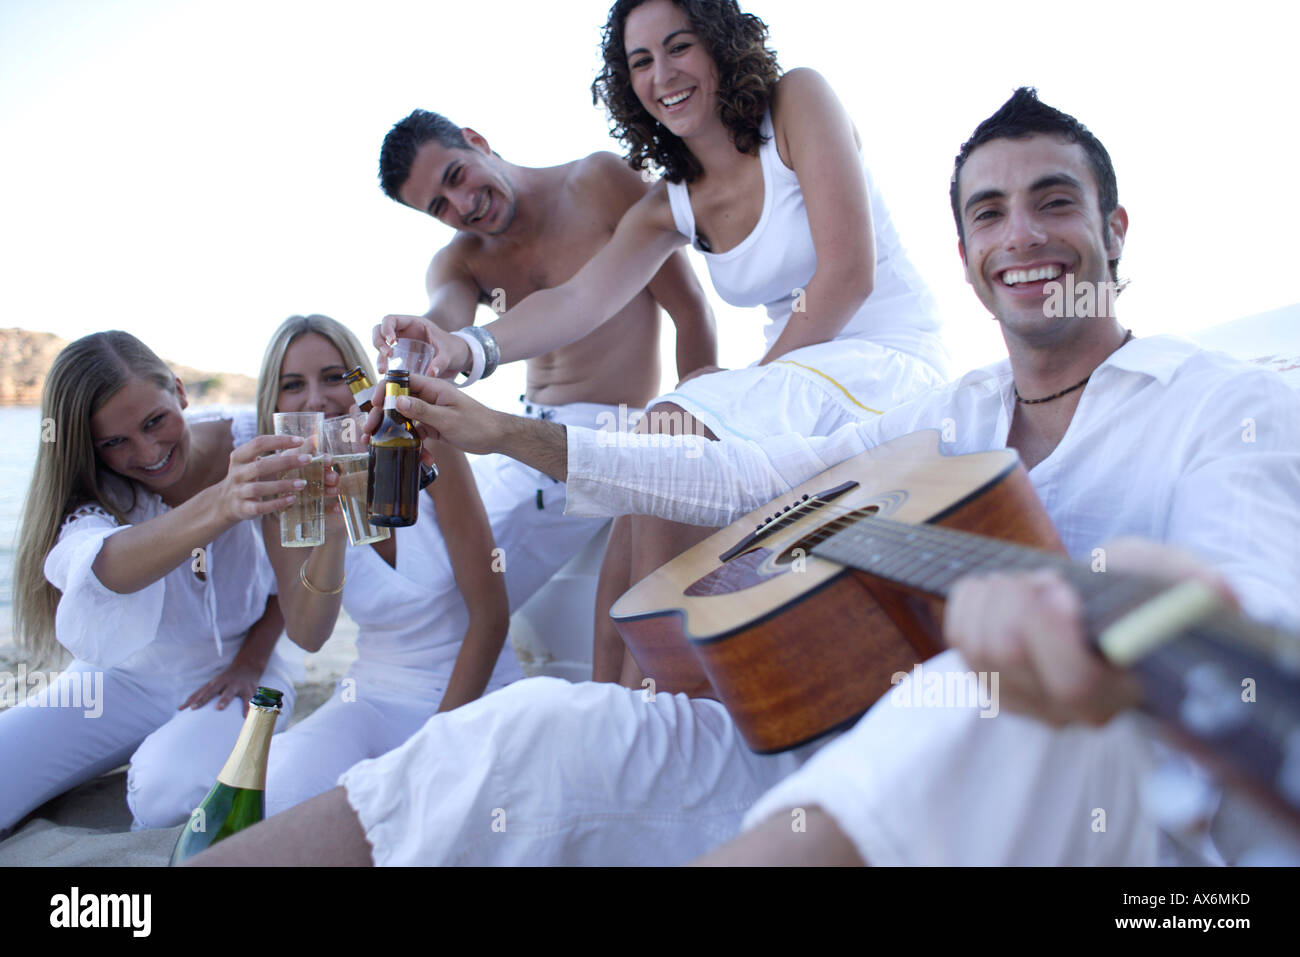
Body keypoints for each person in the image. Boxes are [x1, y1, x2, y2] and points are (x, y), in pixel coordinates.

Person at [188, 88, 1298, 867]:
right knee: (533, 730)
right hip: (849, 758)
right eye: (988, 214)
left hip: (1103, 808)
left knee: (972, 696)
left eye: (1055, 202)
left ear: (1111, 228)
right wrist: (510, 434)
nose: (1024, 237)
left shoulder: (1228, 401)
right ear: (964, 259)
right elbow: (747, 476)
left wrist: (1172, 606)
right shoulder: (946, 419)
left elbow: (1262, 608)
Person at [378, 0, 948, 683]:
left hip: (886, 360)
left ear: (719, 44)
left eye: (678, 47)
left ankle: (654, 704)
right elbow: (577, 301)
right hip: (804, 376)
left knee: (675, 425)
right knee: (643, 482)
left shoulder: (797, 102)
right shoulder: (670, 200)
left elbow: (848, 278)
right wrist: (462, 347)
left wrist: (738, 397)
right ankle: (612, 702)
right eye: (641, 62)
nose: (662, 74)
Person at [375, 106, 715, 667]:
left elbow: (693, 313)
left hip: (603, 433)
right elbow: (447, 318)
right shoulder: (460, 259)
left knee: (444, 585)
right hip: (520, 433)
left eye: (455, 176)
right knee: (413, 538)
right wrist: (427, 338)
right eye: (438, 207)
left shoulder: (598, 181)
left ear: (477, 141)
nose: (462, 206)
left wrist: (687, 442)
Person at [2, 332, 305, 835]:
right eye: (115, 442)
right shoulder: (94, 498)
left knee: (164, 790)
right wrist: (223, 503)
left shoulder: (254, 441)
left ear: (181, 393)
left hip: (240, 672)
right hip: (122, 680)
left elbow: (290, 579)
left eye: (154, 421)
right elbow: (103, 567)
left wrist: (251, 661)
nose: (147, 451)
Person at [252, 315, 520, 816]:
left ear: (362, 383)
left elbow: (491, 616)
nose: (316, 399)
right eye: (293, 385)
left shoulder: (423, 444)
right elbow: (309, 636)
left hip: (474, 692)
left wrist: (435, 743)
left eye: (332, 377)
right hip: (374, 694)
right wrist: (333, 532)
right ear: (275, 403)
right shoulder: (289, 494)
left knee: (449, 811)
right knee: (282, 790)